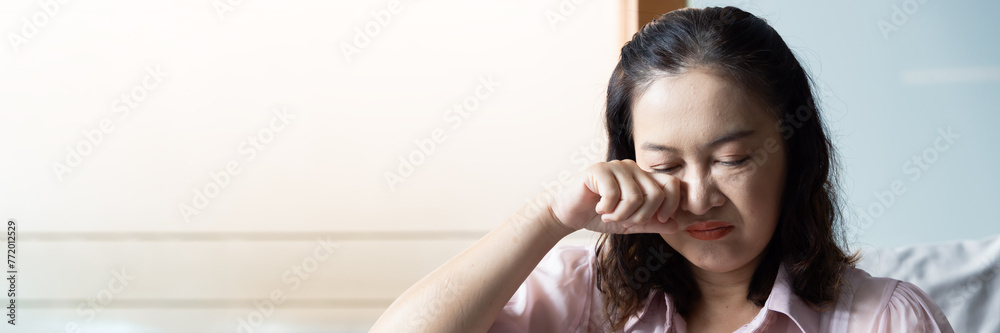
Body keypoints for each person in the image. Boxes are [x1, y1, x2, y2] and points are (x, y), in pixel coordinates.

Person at [370, 6, 954, 333]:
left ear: (794, 157)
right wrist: (547, 216)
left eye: (731, 160)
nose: (699, 197)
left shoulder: (886, 318)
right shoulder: (586, 295)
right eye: (666, 164)